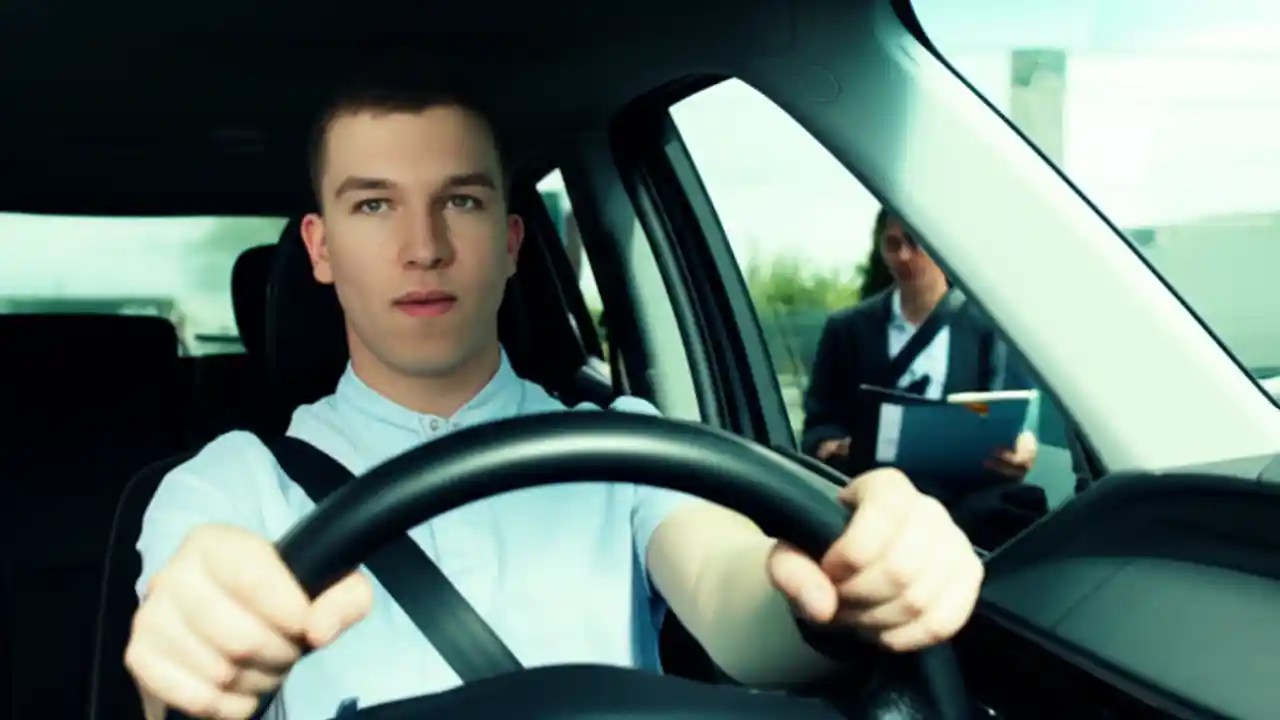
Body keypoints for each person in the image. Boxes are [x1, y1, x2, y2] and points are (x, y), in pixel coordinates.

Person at [123, 69, 984, 720]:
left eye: (458, 200)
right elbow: (188, 640)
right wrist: (195, 647)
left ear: (508, 243)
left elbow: (734, 597)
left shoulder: (630, 446)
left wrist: (841, 586)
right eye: (375, 205)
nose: (423, 248)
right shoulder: (228, 486)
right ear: (319, 249)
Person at [801, 208, 1043, 516]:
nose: (903, 255)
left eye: (915, 242)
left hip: (966, 500)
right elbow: (817, 429)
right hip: (876, 497)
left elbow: (1013, 416)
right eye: (892, 244)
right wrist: (838, 447)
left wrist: (1021, 447)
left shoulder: (992, 329)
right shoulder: (847, 330)